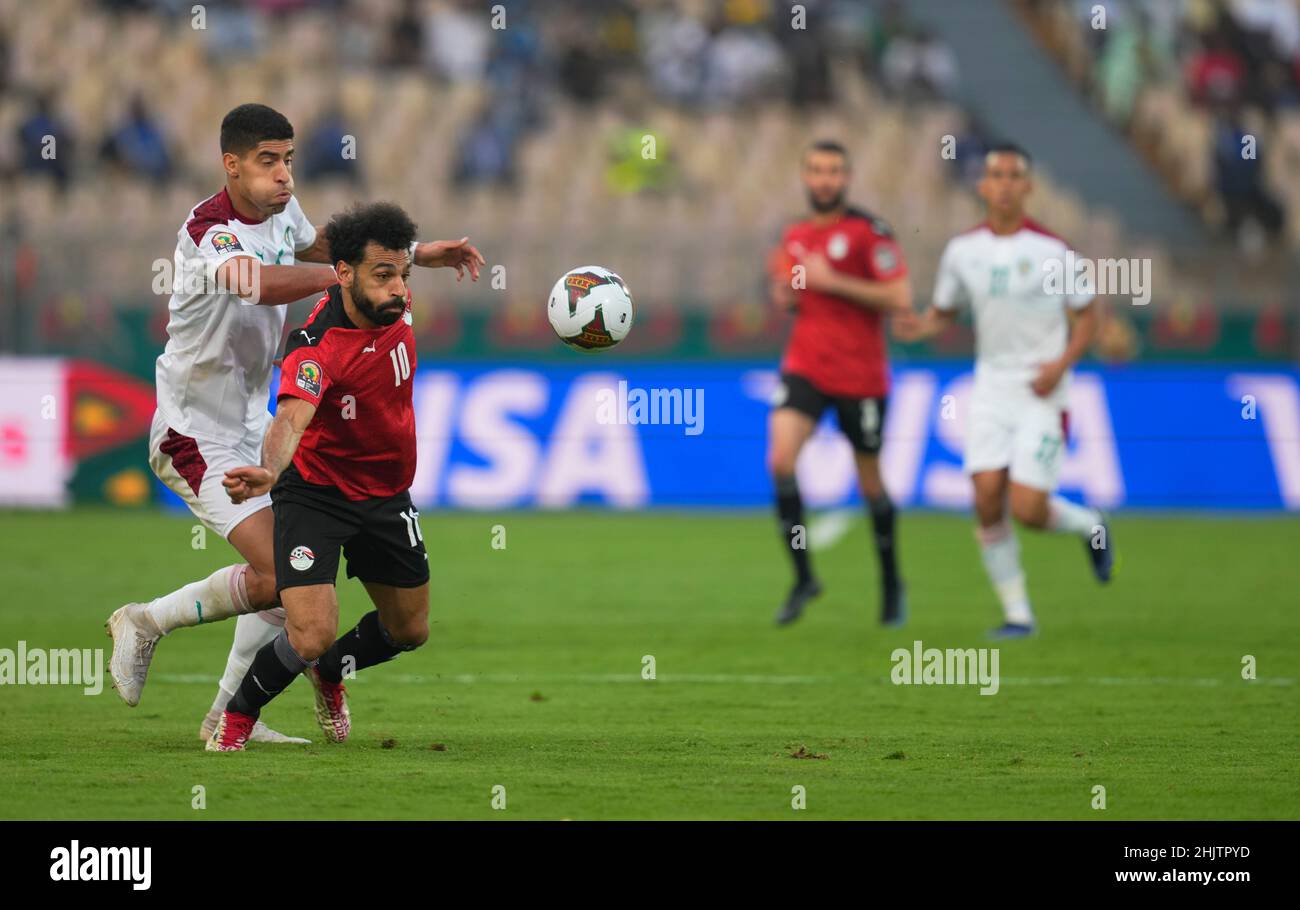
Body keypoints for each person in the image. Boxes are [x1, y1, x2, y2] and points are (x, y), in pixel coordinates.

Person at [105, 104, 483, 744]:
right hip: (194, 430)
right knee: (284, 578)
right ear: (231, 164)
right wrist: (356, 277)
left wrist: (412, 253)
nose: (284, 175)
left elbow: (321, 245)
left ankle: (222, 717)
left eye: (287, 160)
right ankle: (147, 622)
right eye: (267, 161)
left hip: (257, 423)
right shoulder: (209, 232)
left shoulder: (283, 210)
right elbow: (257, 285)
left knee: (290, 581)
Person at [209, 202, 428, 751]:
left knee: (409, 630)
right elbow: (291, 418)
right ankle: (234, 721)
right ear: (344, 274)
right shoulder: (316, 346)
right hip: (316, 494)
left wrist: (432, 255)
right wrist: (268, 469)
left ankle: (332, 671)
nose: (399, 288)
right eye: (385, 276)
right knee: (309, 633)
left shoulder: (392, 302)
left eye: (404, 274)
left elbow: (392, 258)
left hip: (386, 493)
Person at [894, 143, 1114, 638]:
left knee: (1029, 509)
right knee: (987, 499)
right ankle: (1018, 615)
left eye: (1015, 175)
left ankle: (1089, 525)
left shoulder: (1052, 252)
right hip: (990, 388)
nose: (1006, 183)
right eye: (997, 174)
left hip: (1042, 389)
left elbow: (1089, 316)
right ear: (983, 185)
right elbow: (946, 312)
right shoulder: (962, 251)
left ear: (1029, 186)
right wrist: (920, 326)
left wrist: (1061, 365)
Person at [766, 140, 912, 627]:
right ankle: (804, 576)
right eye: (816, 171)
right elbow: (792, 294)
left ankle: (891, 582)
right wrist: (788, 293)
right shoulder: (794, 235)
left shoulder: (871, 233)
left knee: (871, 484)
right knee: (780, 459)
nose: (825, 180)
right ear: (805, 177)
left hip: (860, 375)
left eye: (833, 171)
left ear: (846, 178)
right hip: (806, 364)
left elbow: (899, 295)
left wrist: (834, 282)